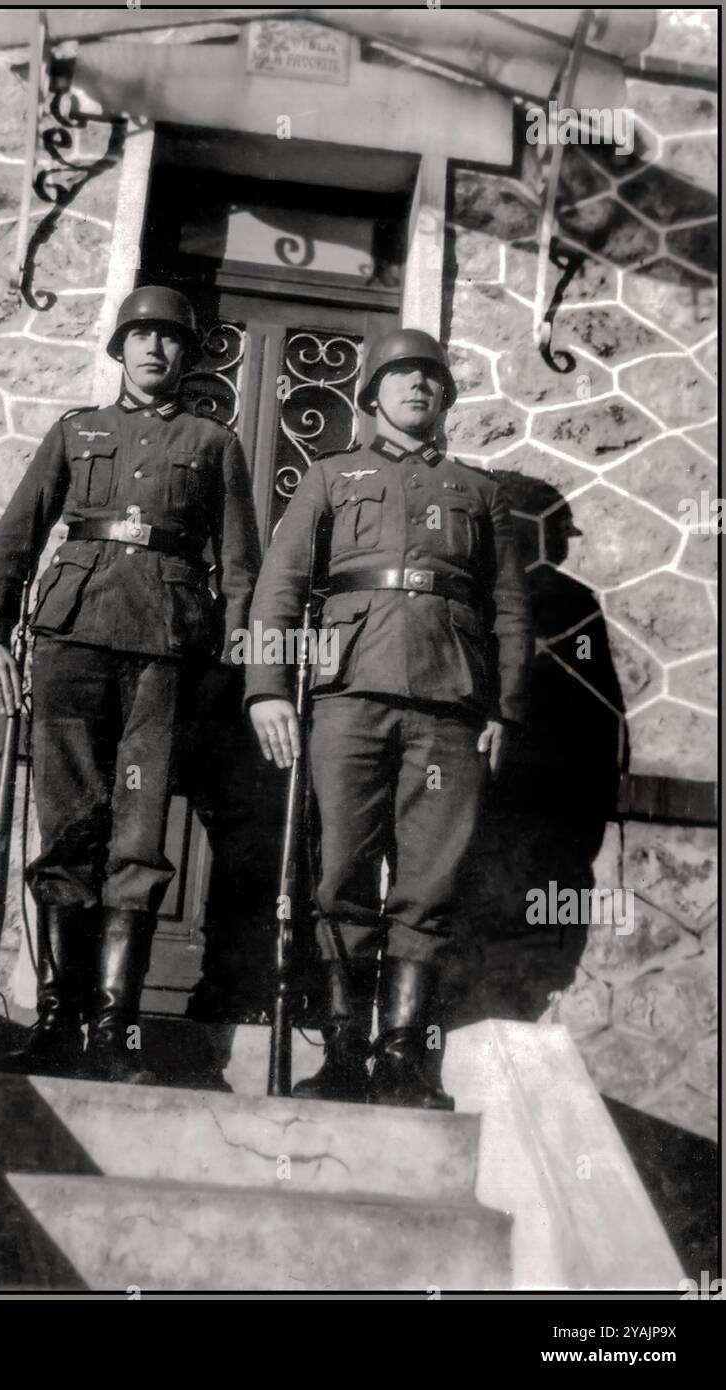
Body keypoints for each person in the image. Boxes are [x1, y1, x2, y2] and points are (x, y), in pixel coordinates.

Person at [0, 285, 261, 1081]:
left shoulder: (213, 442)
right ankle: (58, 1021)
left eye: (169, 339)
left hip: (165, 648)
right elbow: (18, 532)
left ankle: (113, 1030)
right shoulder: (76, 431)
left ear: (186, 356)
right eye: (142, 337)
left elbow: (239, 564)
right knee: (67, 823)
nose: (155, 350)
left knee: (137, 832)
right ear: (119, 349)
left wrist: (243, 659)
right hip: (70, 639)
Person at [246, 328, 532, 1108]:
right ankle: (342, 1053)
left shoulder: (480, 493)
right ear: (372, 395)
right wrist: (268, 685)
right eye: (401, 377)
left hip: (451, 704)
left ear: (445, 399)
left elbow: (508, 610)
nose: (418, 388)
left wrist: (505, 708)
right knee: (339, 872)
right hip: (349, 696)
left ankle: (402, 1058)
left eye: (431, 379)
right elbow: (279, 586)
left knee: (429, 882)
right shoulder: (332, 478)